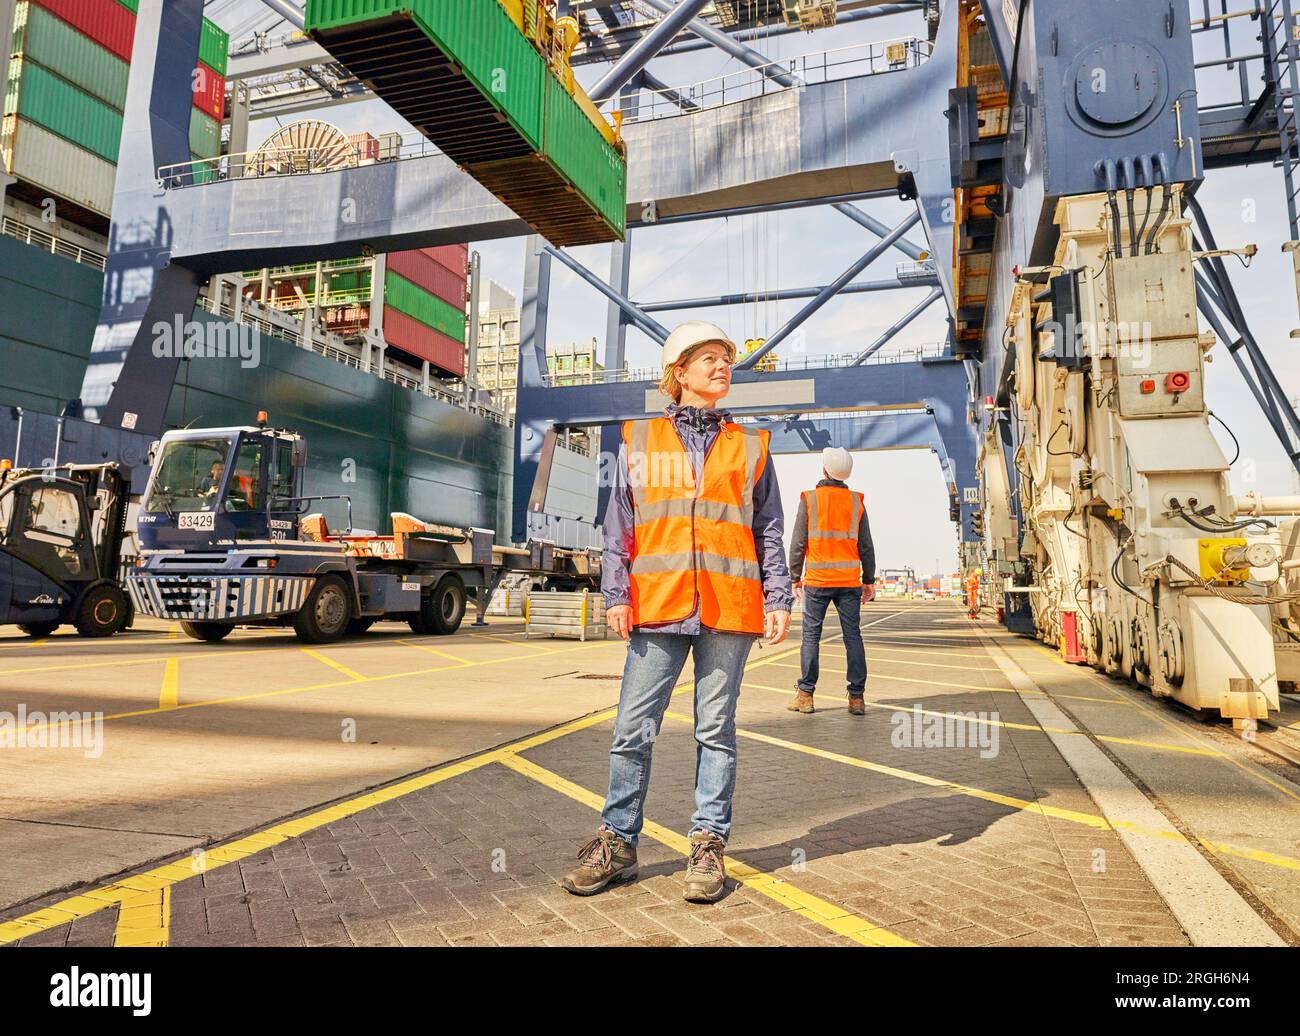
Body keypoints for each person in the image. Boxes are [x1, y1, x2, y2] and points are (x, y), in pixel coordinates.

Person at [561, 320, 793, 904]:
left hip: (729, 607)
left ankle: (709, 845)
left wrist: (780, 597)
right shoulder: (638, 440)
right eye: (710, 358)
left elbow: (769, 529)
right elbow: (621, 525)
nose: (723, 367)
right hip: (657, 604)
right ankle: (617, 842)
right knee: (631, 730)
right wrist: (616, 593)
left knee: (715, 730)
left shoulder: (752, 445)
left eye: (726, 360)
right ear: (680, 372)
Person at [786, 447, 875, 716]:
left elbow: (798, 542)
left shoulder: (810, 500)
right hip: (849, 581)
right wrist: (868, 579)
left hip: (817, 580)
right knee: (853, 637)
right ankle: (856, 698)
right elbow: (866, 546)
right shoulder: (856, 502)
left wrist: (794, 576)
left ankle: (805, 696)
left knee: (811, 637)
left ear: (824, 470)